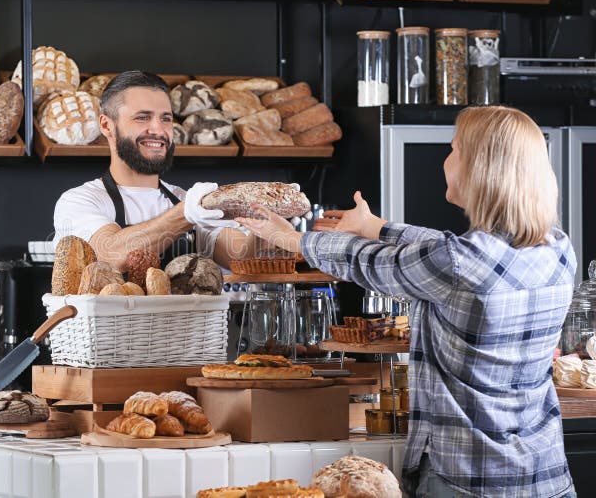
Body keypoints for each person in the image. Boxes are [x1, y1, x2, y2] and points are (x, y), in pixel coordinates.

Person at [236, 106, 577, 498]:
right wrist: (374, 227)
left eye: (454, 150)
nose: (446, 161)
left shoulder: (455, 263)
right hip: (546, 476)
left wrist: (293, 240)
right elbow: (445, 249)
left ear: (481, 169)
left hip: (469, 480)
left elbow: (373, 262)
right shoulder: (557, 247)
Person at [53, 70, 256, 270]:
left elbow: (242, 261)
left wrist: (273, 228)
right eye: (142, 118)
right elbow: (110, 256)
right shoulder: (80, 201)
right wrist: (185, 214)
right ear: (107, 126)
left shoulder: (185, 199)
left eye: (166, 119)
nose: (159, 130)